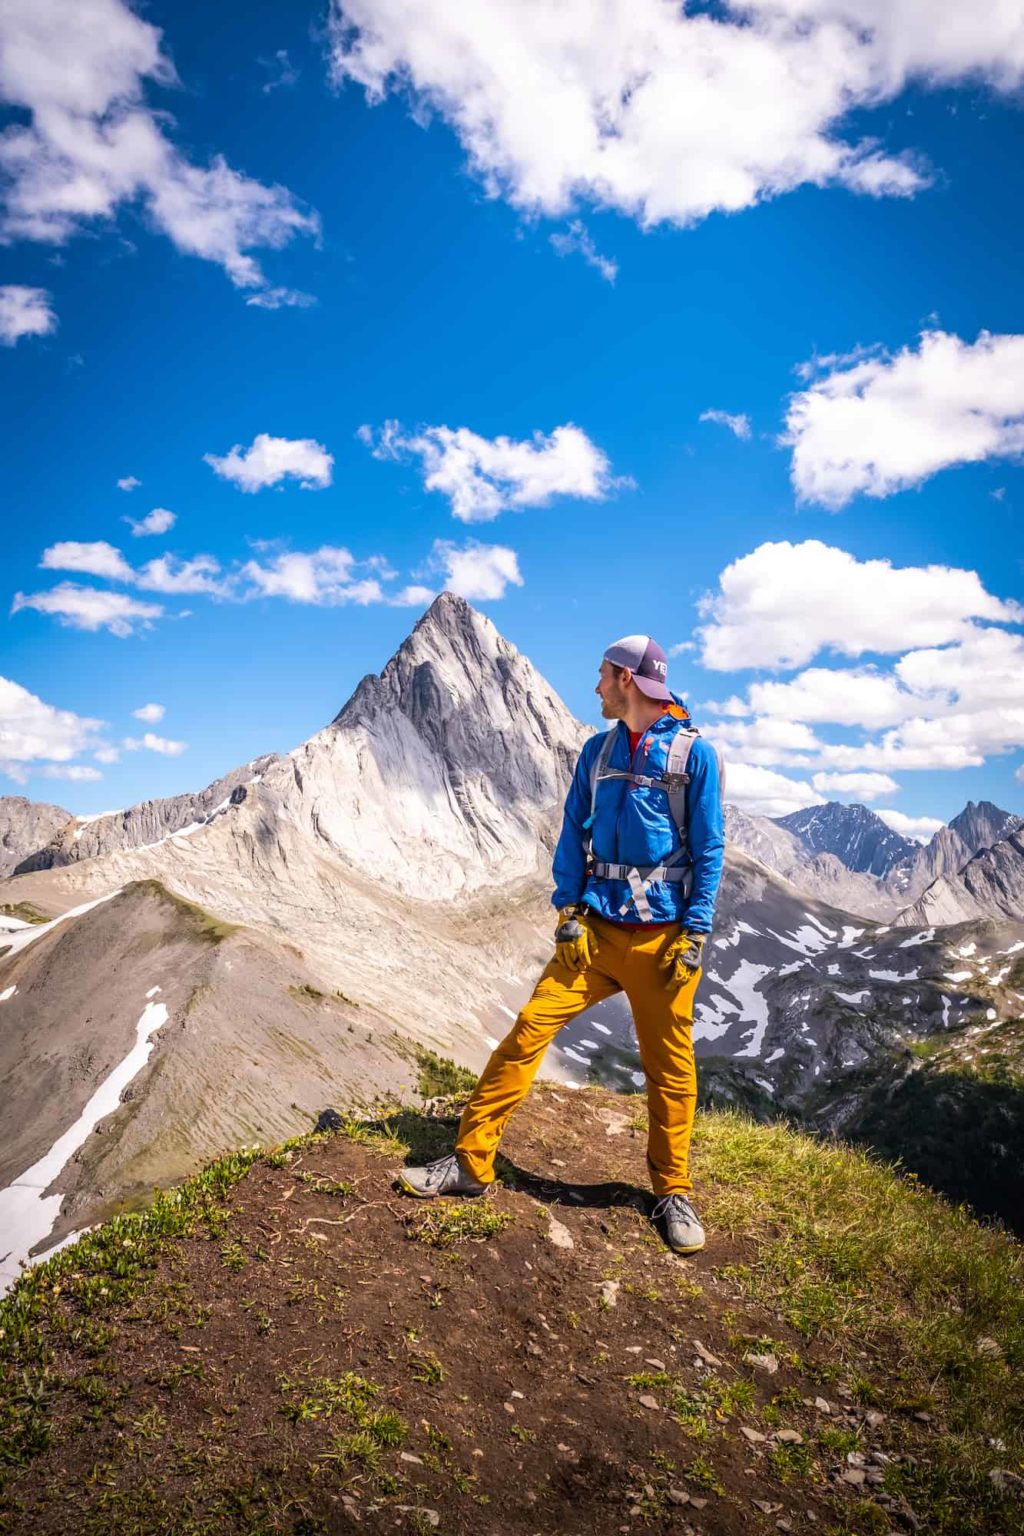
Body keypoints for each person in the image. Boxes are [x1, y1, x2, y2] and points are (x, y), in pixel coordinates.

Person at [396, 634, 725, 1254]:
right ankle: (470, 1163)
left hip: (662, 942)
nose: (597, 686)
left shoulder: (694, 757)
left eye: (603, 675)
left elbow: (709, 850)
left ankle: (671, 1191)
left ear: (628, 679)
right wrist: (568, 910)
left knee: (671, 1070)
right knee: (527, 1033)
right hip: (594, 934)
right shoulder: (597, 753)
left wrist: (696, 931)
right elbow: (574, 832)